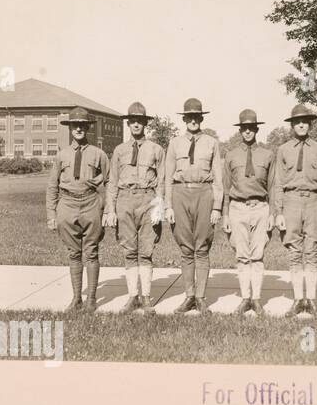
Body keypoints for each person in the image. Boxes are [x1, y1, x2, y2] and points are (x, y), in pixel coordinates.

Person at [269, 103, 317, 318]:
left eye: (305, 121)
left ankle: (311, 301)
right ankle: (297, 301)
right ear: (292, 125)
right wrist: (278, 213)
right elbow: (277, 183)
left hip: (314, 202)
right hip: (291, 201)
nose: (302, 125)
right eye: (298, 122)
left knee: (311, 253)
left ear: (310, 124)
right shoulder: (283, 150)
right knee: (295, 253)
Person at [46, 107, 110, 312]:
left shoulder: (98, 154)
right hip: (67, 204)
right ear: (70, 128)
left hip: (91, 203)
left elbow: (111, 181)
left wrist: (107, 210)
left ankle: (91, 298)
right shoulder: (62, 155)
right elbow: (52, 186)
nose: (79, 128)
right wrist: (51, 215)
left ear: (88, 128)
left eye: (83, 125)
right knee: (74, 253)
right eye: (76, 125)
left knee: (91, 252)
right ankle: (76, 299)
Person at [162, 98, 223, 313]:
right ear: (184, 119)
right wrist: (168, 205)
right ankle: (189, 296)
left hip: (204, 194)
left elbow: (218, 177)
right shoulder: (175, 143)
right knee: (186, 248)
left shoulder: (212, 142)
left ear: (201, 118)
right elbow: (167, 177)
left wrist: (217, 207)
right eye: (189, 116)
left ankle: (201, 296)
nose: (193, 120)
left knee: (202, 247)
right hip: (180, 193)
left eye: (197, 116)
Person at [103, 102, 165, 313]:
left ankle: (146, 297)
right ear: (128, 124)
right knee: (129, 251)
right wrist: (110, 210)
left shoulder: (156, 149)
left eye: (140, 121)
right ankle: (132, 297)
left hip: (148, 200)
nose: (136, 125)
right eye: (133, 121)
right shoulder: (119, 150)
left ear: (145, 124)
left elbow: (162, 181)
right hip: (125, 200)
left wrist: (159, 208)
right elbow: (112, 181)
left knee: (146, 251)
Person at [222, 108, 274, 318]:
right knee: (243, 256)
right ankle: (245, 299)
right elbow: (226, 188)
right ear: (240, 130)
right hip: (238, 208)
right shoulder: (231, 155)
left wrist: (273, 213)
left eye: (252, 128)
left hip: (261, 208)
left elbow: (273, 186)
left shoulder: (268, 155)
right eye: (245, 128)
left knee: (258, 255)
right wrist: (225, 214)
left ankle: (257, 300)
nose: (248, 132)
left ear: (256, 130)